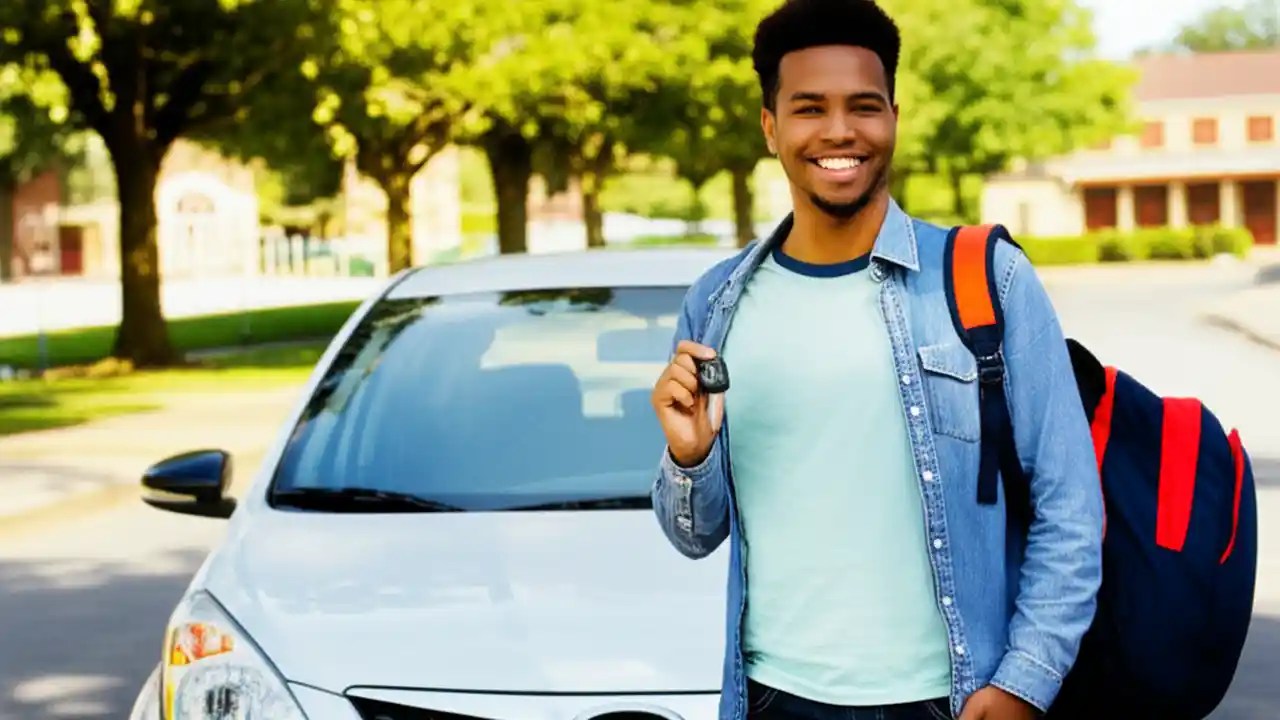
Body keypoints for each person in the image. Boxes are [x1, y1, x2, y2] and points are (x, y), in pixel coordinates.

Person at [648, 1, 1104, 719]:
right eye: (808, 108)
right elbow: (694, 536)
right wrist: (688, 457)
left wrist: (1025, 680)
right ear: (770, 126)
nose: (839, 131)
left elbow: (1071, 505)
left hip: (948, 700)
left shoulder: (989, 281)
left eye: (863, 106)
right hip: (773, 699)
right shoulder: (716, 304)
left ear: (894, 114)